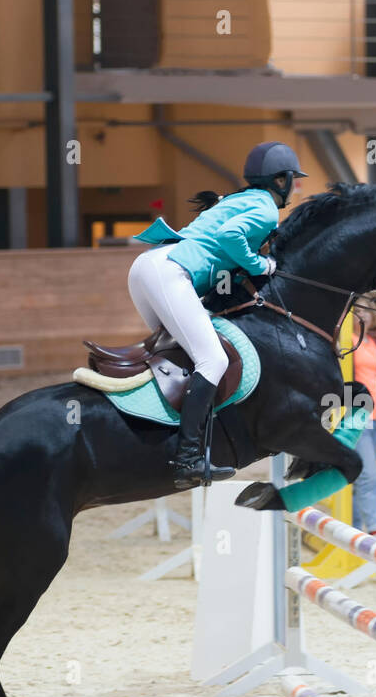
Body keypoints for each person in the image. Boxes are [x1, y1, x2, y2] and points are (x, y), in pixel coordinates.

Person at [128, 141, 307, 490]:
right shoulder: (266, 208)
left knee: (178, 357)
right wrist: (261, 264)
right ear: (281, 180)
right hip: (170, 272)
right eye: (291, 180)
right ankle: (187, 458)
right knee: (211, 359)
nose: (292, 187)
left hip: (146, 267)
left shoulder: (235, 199)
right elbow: (229, 236)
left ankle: (160, 436)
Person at [350, 307, 376, 536]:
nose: (364, 315)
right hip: (358, 416)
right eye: (358, 310)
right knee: (369, 476)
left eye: (368, 311)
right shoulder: (349, 341)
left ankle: (353, 531)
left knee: (361, 477)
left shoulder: (371, 342)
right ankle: (375, 531)